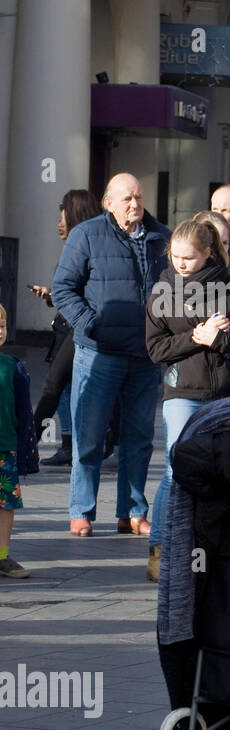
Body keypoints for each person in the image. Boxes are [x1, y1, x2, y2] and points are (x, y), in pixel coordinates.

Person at [144, 219, 230, 581]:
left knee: (226, 471)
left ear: (208, 253)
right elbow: (154, 348)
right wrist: (197, 338)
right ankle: (161, 547)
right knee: (175, 469)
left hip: (227, 392)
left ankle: (220, 547)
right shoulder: (162, 291)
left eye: (190, 258)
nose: (181, 264)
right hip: (182, 393)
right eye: (176, 257)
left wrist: (222, 341)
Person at [51, 172, 170, 538]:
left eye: (138, 197)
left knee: (137, 438)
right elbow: (63, 288)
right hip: (98, 354)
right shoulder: (87, 234)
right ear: (108, 202)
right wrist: (91, 324)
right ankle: (81, 511)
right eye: (126, 199)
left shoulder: (161, 237)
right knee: (89, 436)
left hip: (146, 355)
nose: (134, 205)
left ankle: (132, 512)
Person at [32, 189, 102, 467]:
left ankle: (29, 445)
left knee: (56, 384)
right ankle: (72, 444)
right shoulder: (82, 242)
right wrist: (53, 296)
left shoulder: (85, 243)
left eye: (63, 218)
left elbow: (85, 290)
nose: (59, 224)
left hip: (81, 327)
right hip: (72, 327)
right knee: (70, 385)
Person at [0, 306, 37, 578]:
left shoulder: (12, 366)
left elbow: (23, 411)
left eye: (0, 326)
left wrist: (25, 448)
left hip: (5, 447)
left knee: (6, 505)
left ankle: (2, 555)